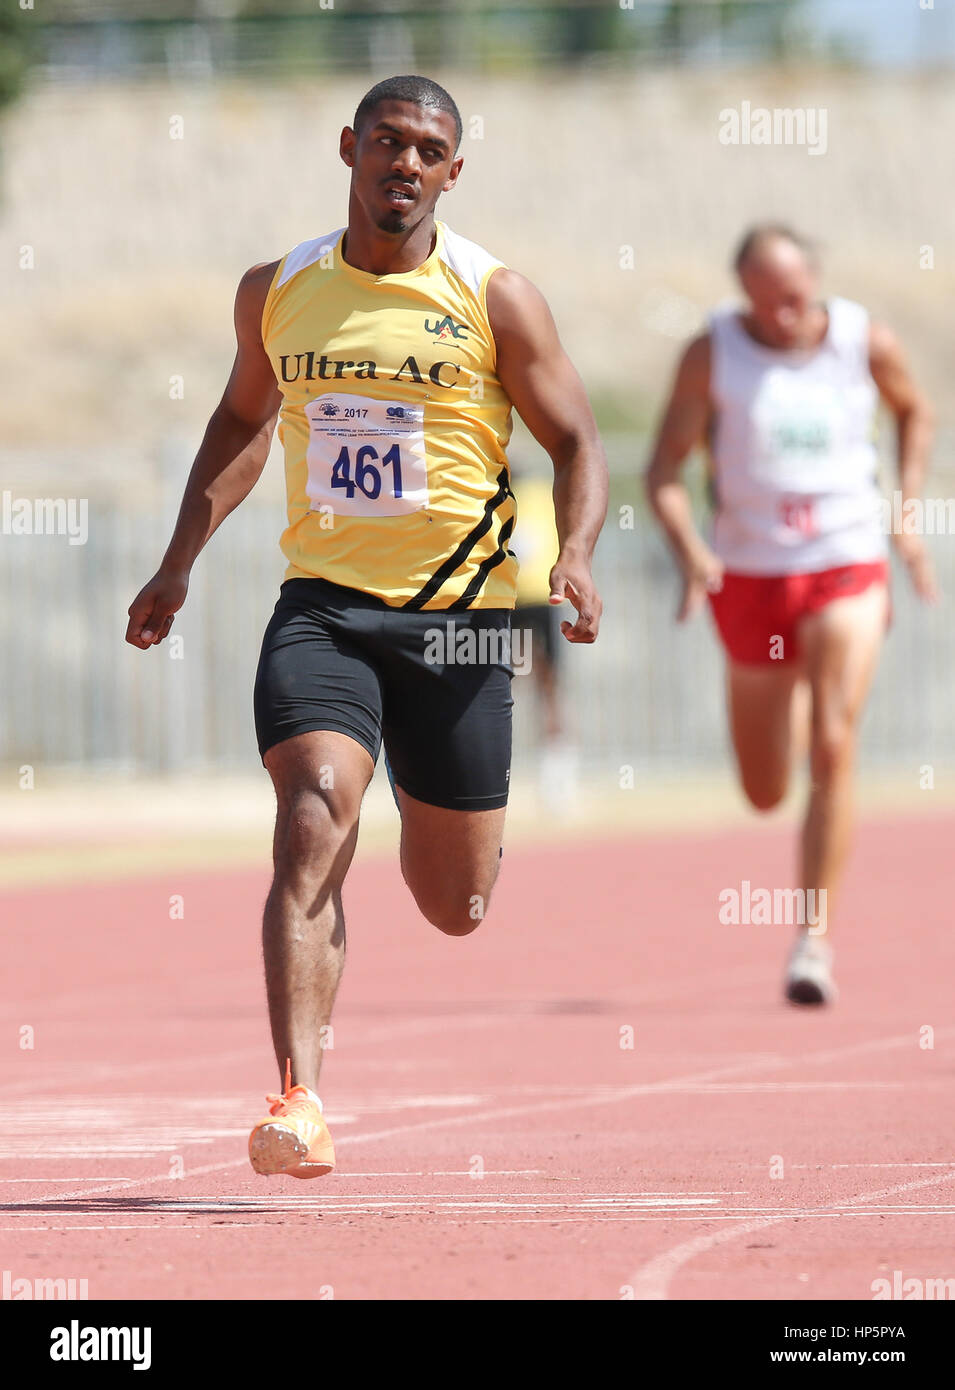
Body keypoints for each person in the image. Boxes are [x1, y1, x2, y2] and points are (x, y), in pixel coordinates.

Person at [125, 75, 607, 1176]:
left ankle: (423, 802)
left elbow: (577, 439)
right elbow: (245, 420)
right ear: (348, 146)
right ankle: (299, 1098)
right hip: (327, 611)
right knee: (310, 810)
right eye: (387, 139)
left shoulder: (495, 297)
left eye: (428, 148)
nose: (405, 161)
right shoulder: (277, 289)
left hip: (465, 625)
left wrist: (573, 553)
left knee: (457, 904)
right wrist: (176, 562)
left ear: (452, 171)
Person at [645, 224, 936, 1005]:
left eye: (796, 297)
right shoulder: (711, 354)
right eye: (766, 301)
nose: (783, 315)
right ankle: (797, 692)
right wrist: (690, 550)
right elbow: (663, 472)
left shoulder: (861, 340)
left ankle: (812, 942)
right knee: (766, 788)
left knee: (834, 747)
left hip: (844, 562)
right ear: (743, 293)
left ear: (817, 281)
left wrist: (905, 516)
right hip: (749, 574)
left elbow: (916, 413)